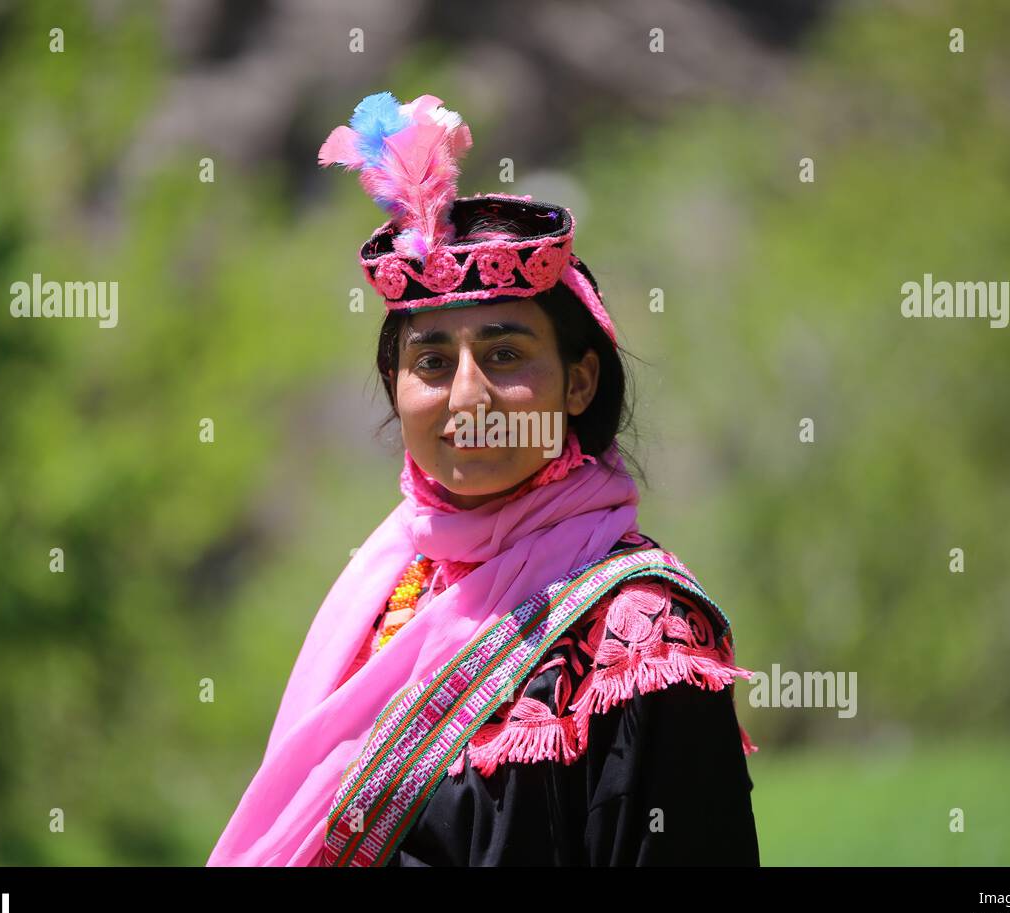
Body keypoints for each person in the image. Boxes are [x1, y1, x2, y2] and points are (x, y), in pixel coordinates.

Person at [207, 92, 759, 867]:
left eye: (504, 355)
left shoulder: (642, 636)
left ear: (578, 382)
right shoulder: (382, 596)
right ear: (397, 390)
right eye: (432, 362)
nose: (468, 396)